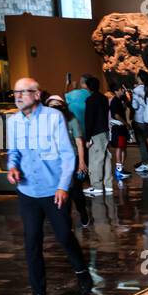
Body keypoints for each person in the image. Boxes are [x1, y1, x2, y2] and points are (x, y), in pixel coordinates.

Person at [6, 77, 95, 295]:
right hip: (27, 191)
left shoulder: (53, 117)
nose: (18, 96)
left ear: (37, 95)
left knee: (64, 235)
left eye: (23, 92)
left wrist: (63, 186)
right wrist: (12, 166)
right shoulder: (13, 121)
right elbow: (13, 151)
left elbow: (68, 155)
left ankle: (82, 272)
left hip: (53, 189)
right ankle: (38, 293)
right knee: (31, 241)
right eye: (15, 92)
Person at [44, 94, 92, 227]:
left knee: (76, 190)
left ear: (63, 107)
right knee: (59, 189)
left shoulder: (71, 120)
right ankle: (65, 219)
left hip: (73, 158)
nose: (54, 108)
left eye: (57, 105)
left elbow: (79, 142)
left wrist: (82, 162)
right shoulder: (45, 121)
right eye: (51, 106)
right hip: (55, 160)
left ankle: (83, 212)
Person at [81, 75, 111, 193]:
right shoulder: (104, 98)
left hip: (96, 133)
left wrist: (88, 138)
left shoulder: (90, 100)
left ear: (88, 87)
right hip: (105, 131)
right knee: (107, 157)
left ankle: (97, 186)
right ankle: (108, 184)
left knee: (96, 159)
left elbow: (89, 120)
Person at [108, 84, 132, 180]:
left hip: (121, 127)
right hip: (118, 127)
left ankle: (121, 168)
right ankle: (118, 169)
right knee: (119, 147)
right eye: (121, 89)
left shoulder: (120, 100)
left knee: (123, 147)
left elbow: (128, 103)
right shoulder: (114, 101)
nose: (123, 90)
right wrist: (126, 123)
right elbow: (116, 115)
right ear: (117, 90)